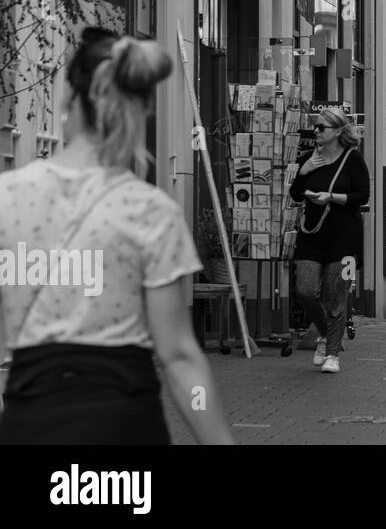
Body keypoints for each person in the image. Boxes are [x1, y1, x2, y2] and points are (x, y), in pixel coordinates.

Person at [0, 28, 233, 444]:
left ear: (68, 100)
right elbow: (180, 361)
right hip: (124, 424)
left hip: (29, 420)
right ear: (141, 110)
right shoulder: (150, 212)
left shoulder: (7, 199)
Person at [289, 107, 370, 373]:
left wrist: (331, 197)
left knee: (336, 295)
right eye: (316, 127)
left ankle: (333, 353)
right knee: (305, 289)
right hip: (312, 235)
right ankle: (325, 334)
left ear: (337, 131)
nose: (316, 131)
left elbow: (363, 196)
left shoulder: (353, 159)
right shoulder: (308, 157)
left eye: (321, 127)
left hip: (345, 239)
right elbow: (296, 196)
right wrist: (304, 172)